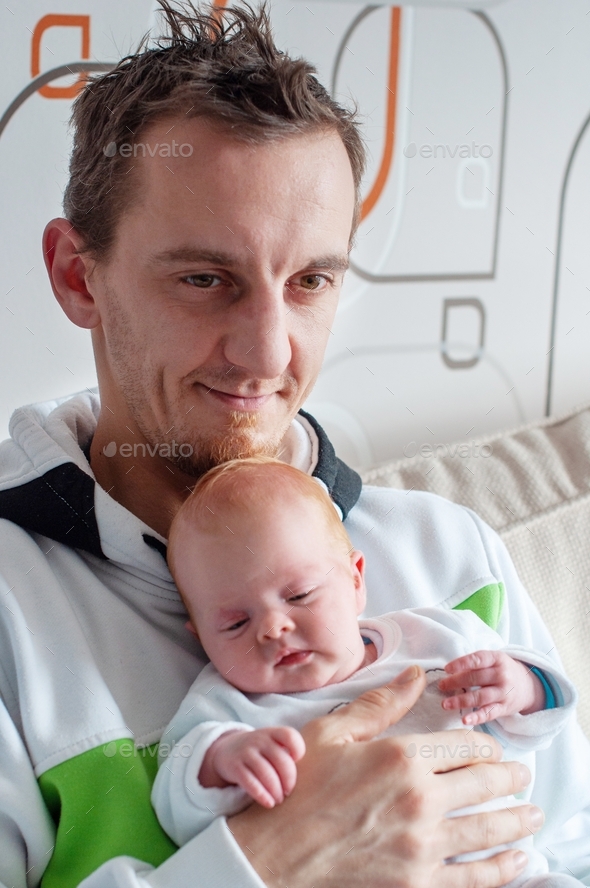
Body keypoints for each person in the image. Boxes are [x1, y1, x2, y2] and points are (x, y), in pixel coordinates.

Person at [0, 1, 588, 886]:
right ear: (78, 277)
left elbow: (570, 850)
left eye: (310, 280)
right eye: (207, 279)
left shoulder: (449, 553)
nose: (270, 354)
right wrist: (271, 862)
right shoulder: (15, 605)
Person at [151, 456, 579, 888]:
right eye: (235, 624)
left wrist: (522, 687)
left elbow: (533, 730)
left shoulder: (438, 636)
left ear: (355, 581)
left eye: (299, 596)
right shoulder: (228, 706)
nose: (272, 628)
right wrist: (222, 762)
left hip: (507, 873)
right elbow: (177, 802)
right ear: (200, 636)